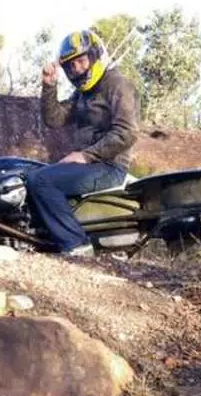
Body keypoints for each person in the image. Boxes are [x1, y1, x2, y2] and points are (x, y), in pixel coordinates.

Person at [25, 29, 140, 257]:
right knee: (28, 174)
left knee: (43, 181)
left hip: (109, 166)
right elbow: (55, 119)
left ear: (95, 55)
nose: (76, 69)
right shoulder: (82, 94)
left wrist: (87, 155)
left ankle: (76, 244)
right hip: (91, 165)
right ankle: (41, 238)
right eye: (71, 66)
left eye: (81, 61)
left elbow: (127, 132)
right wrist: (49, 85)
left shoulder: (118, 85)